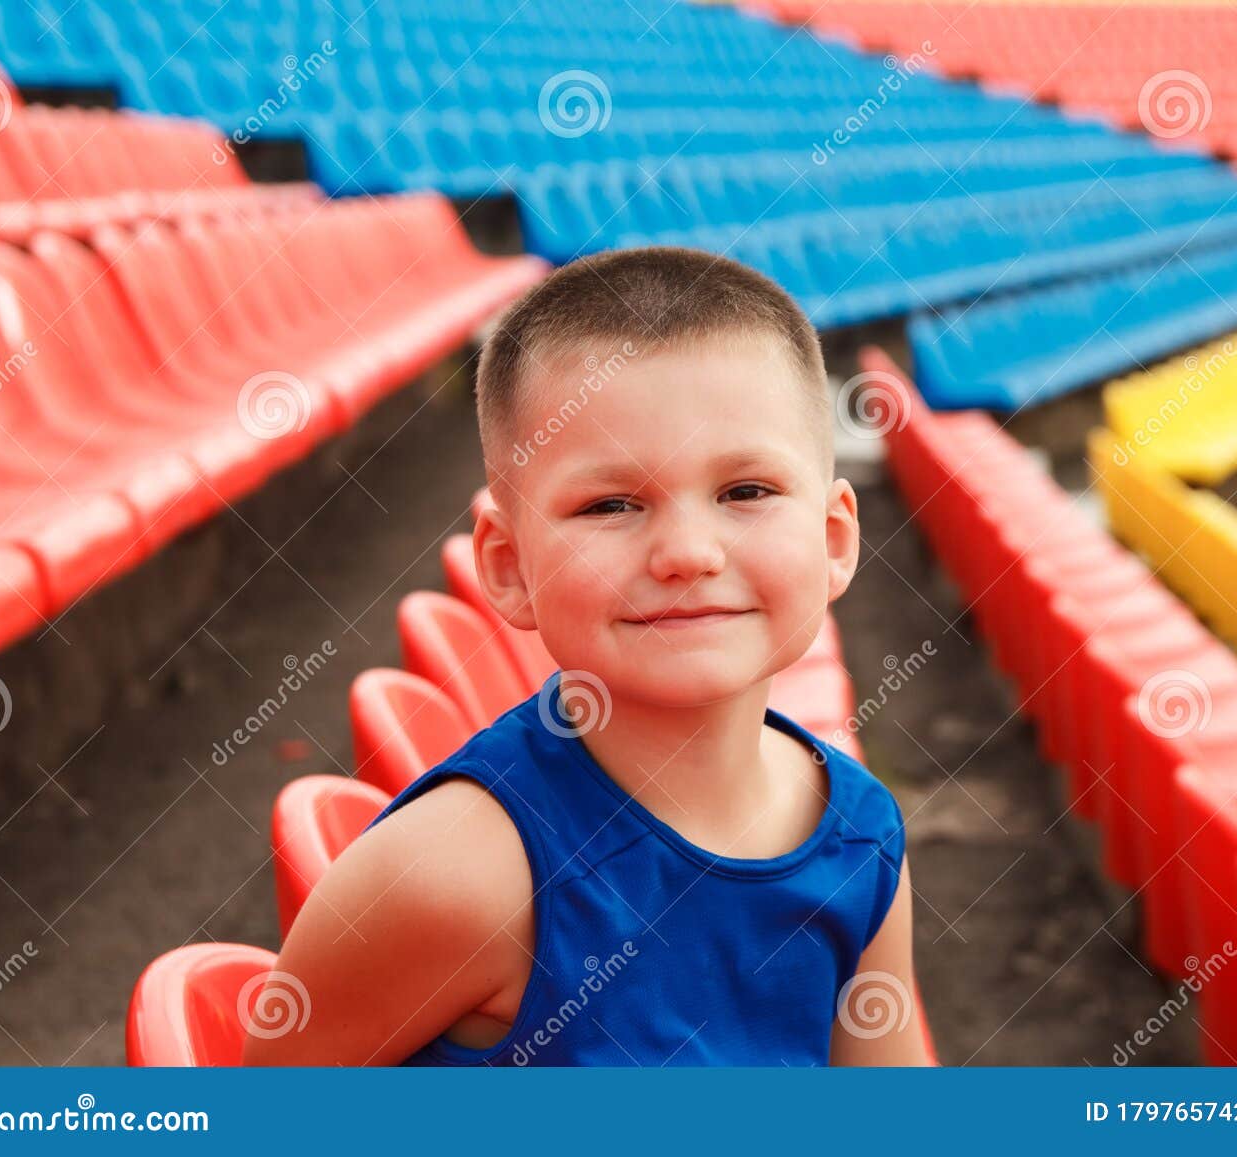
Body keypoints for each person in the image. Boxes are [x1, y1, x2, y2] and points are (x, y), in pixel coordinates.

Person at [244, 246, 928, 1066]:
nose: (687, 552)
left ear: (833, 538)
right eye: (611, 504)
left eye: (746, 491)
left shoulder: (861, 834)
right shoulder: (452, 878)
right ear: (508, 566)